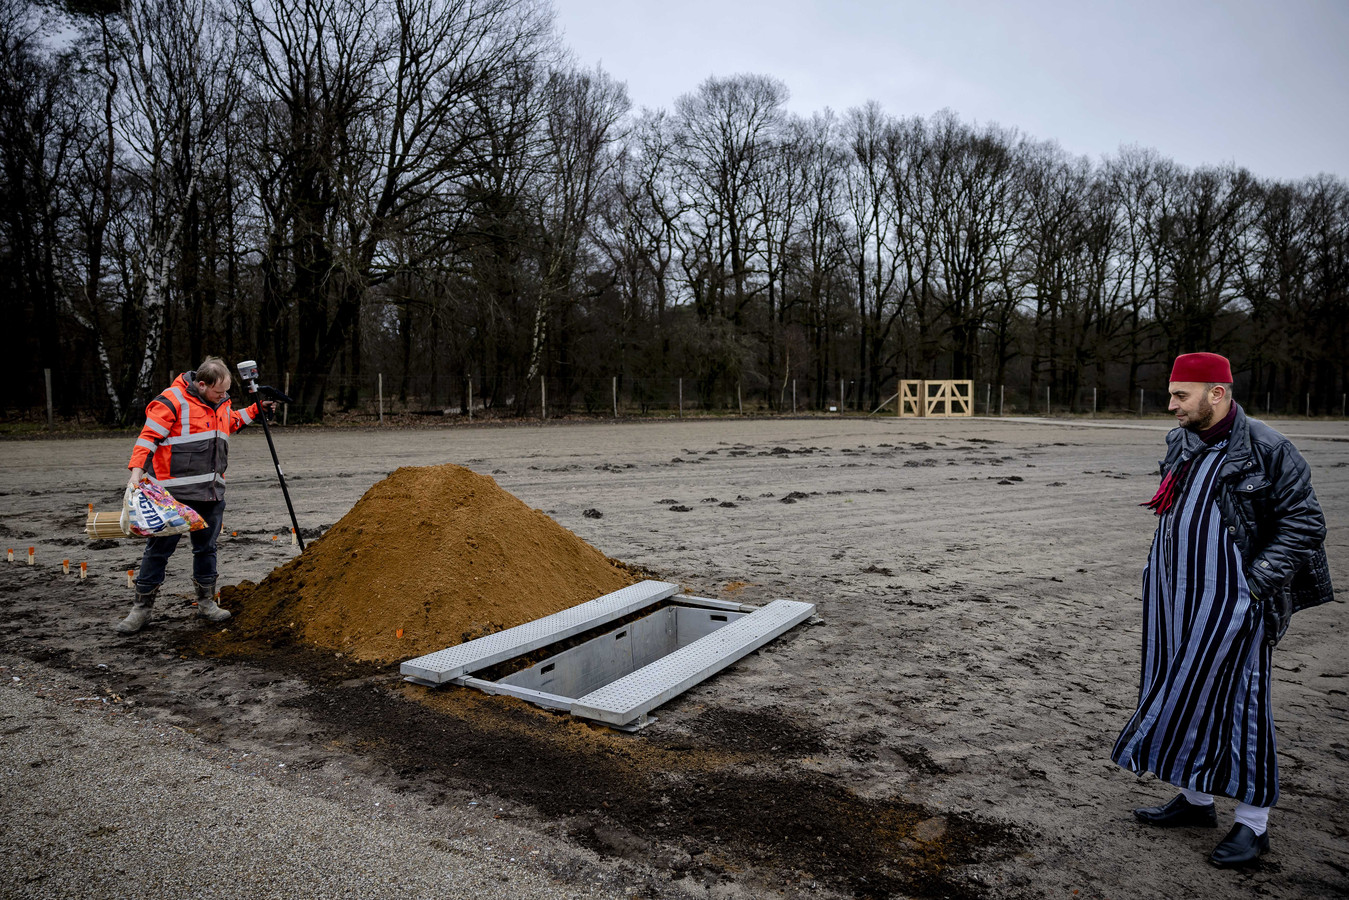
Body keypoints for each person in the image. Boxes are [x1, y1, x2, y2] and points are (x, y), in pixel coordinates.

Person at [1112, 352, 1334, 868]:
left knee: (1240, 703)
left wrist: (1253, 586)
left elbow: (1305, 525)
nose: (1171, 405)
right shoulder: (1182, 440)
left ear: (1217, 393)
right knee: (1181, 687)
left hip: (1236, 599)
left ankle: (1253, 826)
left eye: (1180, 395)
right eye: (1171, 394)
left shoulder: (1268, 448)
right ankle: (1196, 801)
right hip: (1175, 593)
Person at [114, 357, 274, 634]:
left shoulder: (221, 403)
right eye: (219, 391)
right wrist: (136, 473)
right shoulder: (172, 401)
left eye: (226, 392)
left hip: (210, 493)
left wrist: (255, 410)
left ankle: (206, 603)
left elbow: (230, 422)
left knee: (206, 549)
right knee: (158, 551)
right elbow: (148, 437)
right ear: (201, 385)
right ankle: (141, 609)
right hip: (172, 497)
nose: (224, 396)